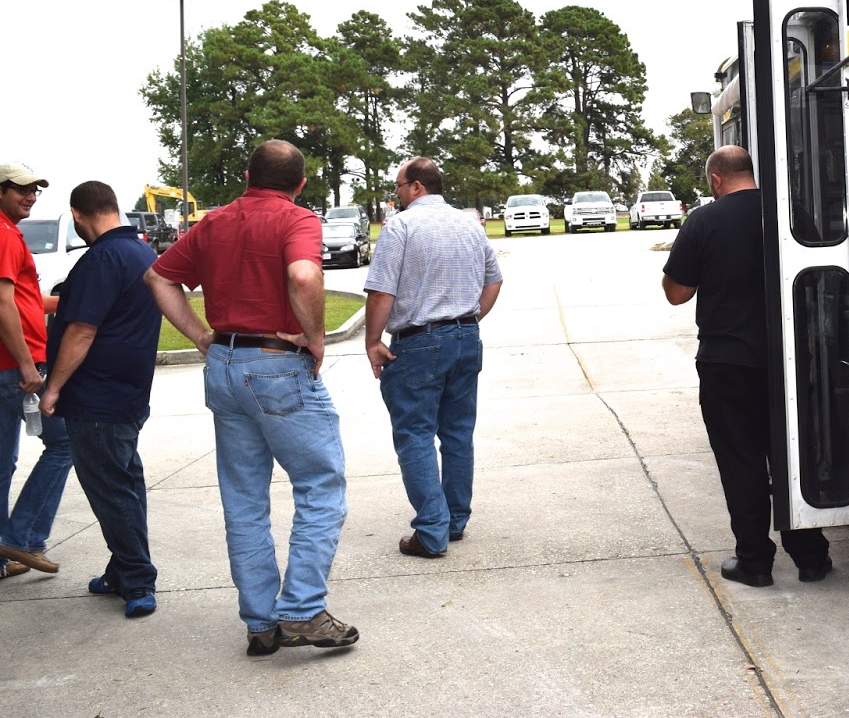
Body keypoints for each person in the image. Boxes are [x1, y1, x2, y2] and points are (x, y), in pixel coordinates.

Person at [144, 140, 358, 656]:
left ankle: (261, 621)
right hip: (277, 366)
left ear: (246, 176)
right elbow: (303, 274)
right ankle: (303, 610)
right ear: (300, 183)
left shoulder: (214, 222)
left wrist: (200, 336)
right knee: (319, 485)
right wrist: (315, 337)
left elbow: (159, 276)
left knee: (243, 499)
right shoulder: (296, 219)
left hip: (224, 365)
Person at [661, 146, 830, 587]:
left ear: (716, 179)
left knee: (742, 461)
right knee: (794, 453)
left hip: (727, 361)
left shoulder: (703, 220)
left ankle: (755, 560)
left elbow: (676, 293)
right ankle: (811, 555)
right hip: (792, 358)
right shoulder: (791, 215)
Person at [364, 157, 502, 558]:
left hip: (420, 342)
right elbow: (494, 280)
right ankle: (454, 519)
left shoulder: (402, 227)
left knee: (415, 435)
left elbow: (381, 292)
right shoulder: (469, 225)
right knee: (457, 433)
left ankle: (431, 530)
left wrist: (373, 340)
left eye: (399, 187)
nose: (397, 195)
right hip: (465, 337)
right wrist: (470, 318)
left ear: (417, 187)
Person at [39, 181, 162, 617]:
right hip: (129, 391)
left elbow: (82, 330)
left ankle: (137, 580)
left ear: (78, 216)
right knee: (123, 482)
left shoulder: (100, 259)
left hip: (97, 397)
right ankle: (120, 569)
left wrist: (52, 387)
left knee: (111, 489)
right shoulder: (142, 254)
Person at [0, 160, 72, 579]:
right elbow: (4, 304)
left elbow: (24, 300)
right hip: (17, 366)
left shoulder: (10, 234)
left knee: (3, 463)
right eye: (21, 190)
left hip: (7, 366)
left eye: (34, 191)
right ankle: (22, 538)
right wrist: (28, 365)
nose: (30, 196)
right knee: (65, 444)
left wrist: (72, 303)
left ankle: (5, 551)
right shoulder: (5, 235)